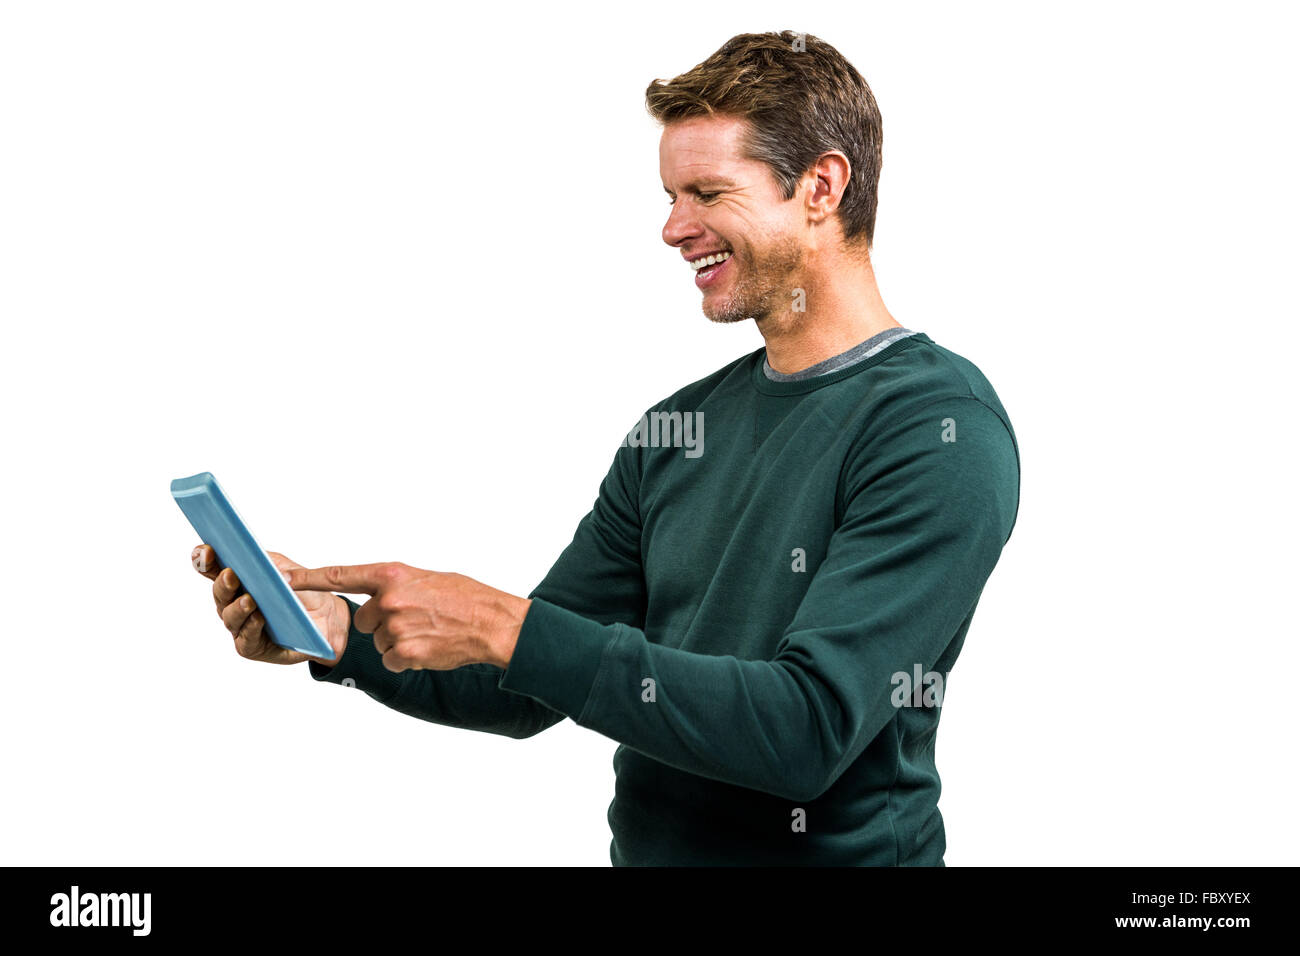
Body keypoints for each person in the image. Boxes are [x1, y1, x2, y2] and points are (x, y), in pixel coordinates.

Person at [190, 30, 1020, 866]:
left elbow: (806, 730)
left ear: (821, 186)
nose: (672, 228)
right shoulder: (678, 431)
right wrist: (336, 635)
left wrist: (511, 628)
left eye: (706, 192)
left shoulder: (936, 430)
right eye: (668, 195)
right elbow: (521, 684)